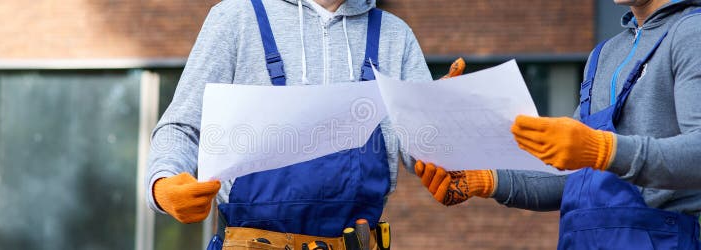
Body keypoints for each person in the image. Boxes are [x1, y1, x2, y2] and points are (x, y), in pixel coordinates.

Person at [146, 0, 434, 249]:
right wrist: (162, 183)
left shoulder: (395, 37)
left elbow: (429, 142)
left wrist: (459, 160)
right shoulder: (236, 18)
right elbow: (182, 126)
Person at [414, 0, 701, 249]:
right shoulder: (603, 55)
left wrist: (603, 150)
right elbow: (575, 176)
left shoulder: (691, 32)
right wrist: (487, 180)